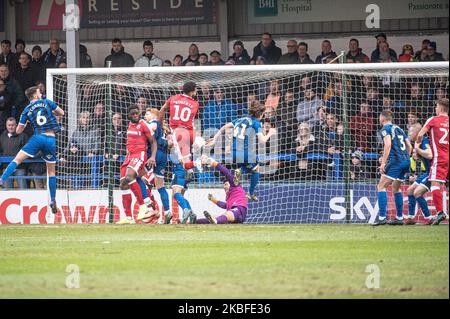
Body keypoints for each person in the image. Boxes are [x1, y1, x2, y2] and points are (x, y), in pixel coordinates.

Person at [0, 86, 64, 214]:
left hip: (38, 137)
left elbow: (18, 131)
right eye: (39, 92)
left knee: (17, 159)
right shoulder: (47, 102)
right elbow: (61, 113)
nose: (41, 93)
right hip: (51, 139)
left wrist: (27, 123)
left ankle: (2, 178)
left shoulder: (27, 110)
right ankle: (52, 199)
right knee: (51, 173)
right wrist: (53, 115)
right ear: (35, 95)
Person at [207, 100, 276, 201]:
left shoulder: (240, 119)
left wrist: (215, 138)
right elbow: (262, 141)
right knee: (256, 168)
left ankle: (247, 186)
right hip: (246, 152)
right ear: (260, 114)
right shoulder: (256, 123)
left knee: (253, 168)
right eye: (263, 114)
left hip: (234, 153)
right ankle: (248, 188)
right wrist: (270, 133)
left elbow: (225, 126)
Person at [159, 82, 202, 224]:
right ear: (192, 91)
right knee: (180, 193)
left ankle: (194, 164)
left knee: (176, 193)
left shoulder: (173, 99)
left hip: (180, 163)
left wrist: (163, 127)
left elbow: (163, 110)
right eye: (195, 90)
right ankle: (191, 213)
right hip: (187, 136)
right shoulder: (195, 104)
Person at [116, 105, 157, 224]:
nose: (135, 115)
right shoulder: (129, 125)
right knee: (123, 184)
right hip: (129, 155)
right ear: (128, 115)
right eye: (133, 114)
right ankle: (129, 218)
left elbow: (153, 142)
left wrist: (152, 157)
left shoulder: (143, 124)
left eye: (137, 113)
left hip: (139, 154)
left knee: (130, 177)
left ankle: (143, 207)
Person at [373, 110, 412, 226]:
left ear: (382, 118)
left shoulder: (385, 129)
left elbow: (388, 144)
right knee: (396, 188)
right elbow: (409, 146)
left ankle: (382, 217)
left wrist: (383, 163)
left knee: (381, 186)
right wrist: (405, 158)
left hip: (396, 162)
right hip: (406, 161)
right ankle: (399, 218)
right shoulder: (398, 128)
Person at [414, 98, 449, 225]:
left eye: (436, 106)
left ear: (440, 107)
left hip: (439, 158)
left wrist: (417, 145)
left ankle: (440, 212)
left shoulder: (433, 119)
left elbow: (420, 135)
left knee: (435, 184)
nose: (435, 109)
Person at [194, 155, 248, 224]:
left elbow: (226, 172)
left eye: (226, 184)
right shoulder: (230, 197)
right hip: (236, 215)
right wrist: (214, 200)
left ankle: (215, 221)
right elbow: (224, 205)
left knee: (225, 215)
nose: (224, 187)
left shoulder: (235, 185)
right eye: (224, 185)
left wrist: (212, 162)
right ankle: (194, 221)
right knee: (218, 218)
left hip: (239, 210)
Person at [142, 108, 172, 222]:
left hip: (153, 154)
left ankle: (148, 206)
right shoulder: (164, 129)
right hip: (163, 156)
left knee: (137, 177)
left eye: (147, 114)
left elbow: (151, 128)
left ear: (154, 116)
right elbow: (170, 144)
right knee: (160, 186)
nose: (145, 116)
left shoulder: (154, 122)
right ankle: (167, 211)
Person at [405, 123, 433, 225]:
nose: (409, 133)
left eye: (411, 131)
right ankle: (411, 217)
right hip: (428, 172)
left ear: (417, 132)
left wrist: (418, 150)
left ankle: (429, 217)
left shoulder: (424, 140)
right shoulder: (417, 142)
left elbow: (430, 155)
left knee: (417, 193)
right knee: (410, 190)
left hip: (434, 171)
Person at [0, 117, 29, 189]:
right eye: (9, 125)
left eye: (13, 125)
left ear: (16, 125)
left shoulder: (23, 135)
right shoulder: (2, 136)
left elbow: (27, 150)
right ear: (6, 126)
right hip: (6, 167)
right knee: (7, 190)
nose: (11, 127)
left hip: (20, 166)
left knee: (22, 189)